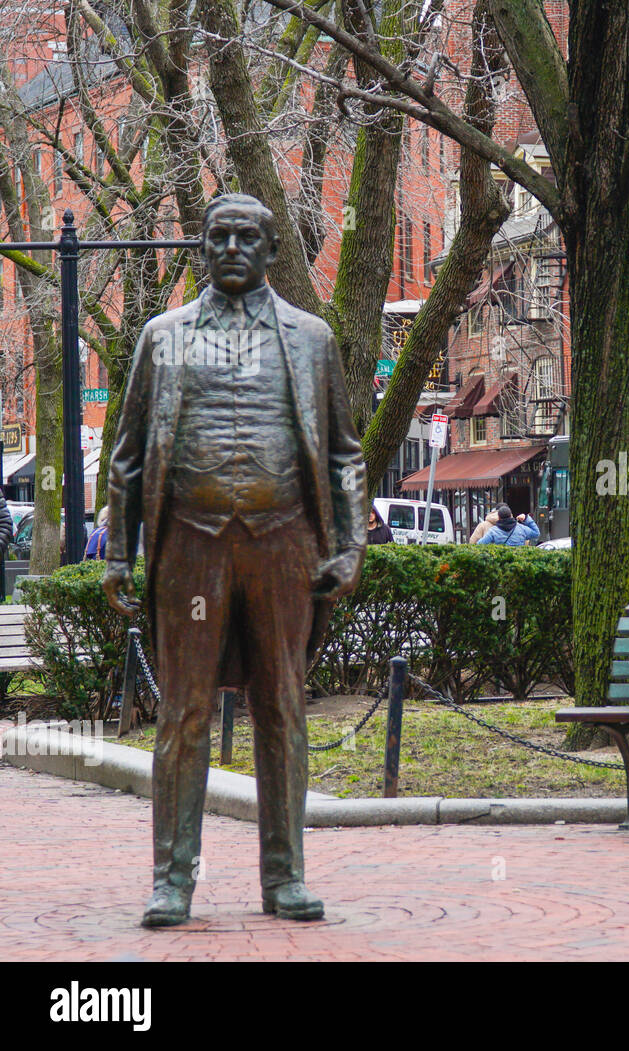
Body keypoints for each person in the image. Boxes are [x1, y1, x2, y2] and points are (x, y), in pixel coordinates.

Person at [104, 193, 368, 928]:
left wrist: (350, 545)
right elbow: (126, 458)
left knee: (281, 706)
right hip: (190, 546)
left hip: (284, 544)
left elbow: (345, 454)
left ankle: (285, 877)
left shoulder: (310, 338)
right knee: (183, 711)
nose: (230, 248)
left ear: (272, 249)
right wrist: (120, 552)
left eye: (245, 237)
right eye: (217, 236)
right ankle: (172, 879)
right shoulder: (164, 336)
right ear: (201, 247)